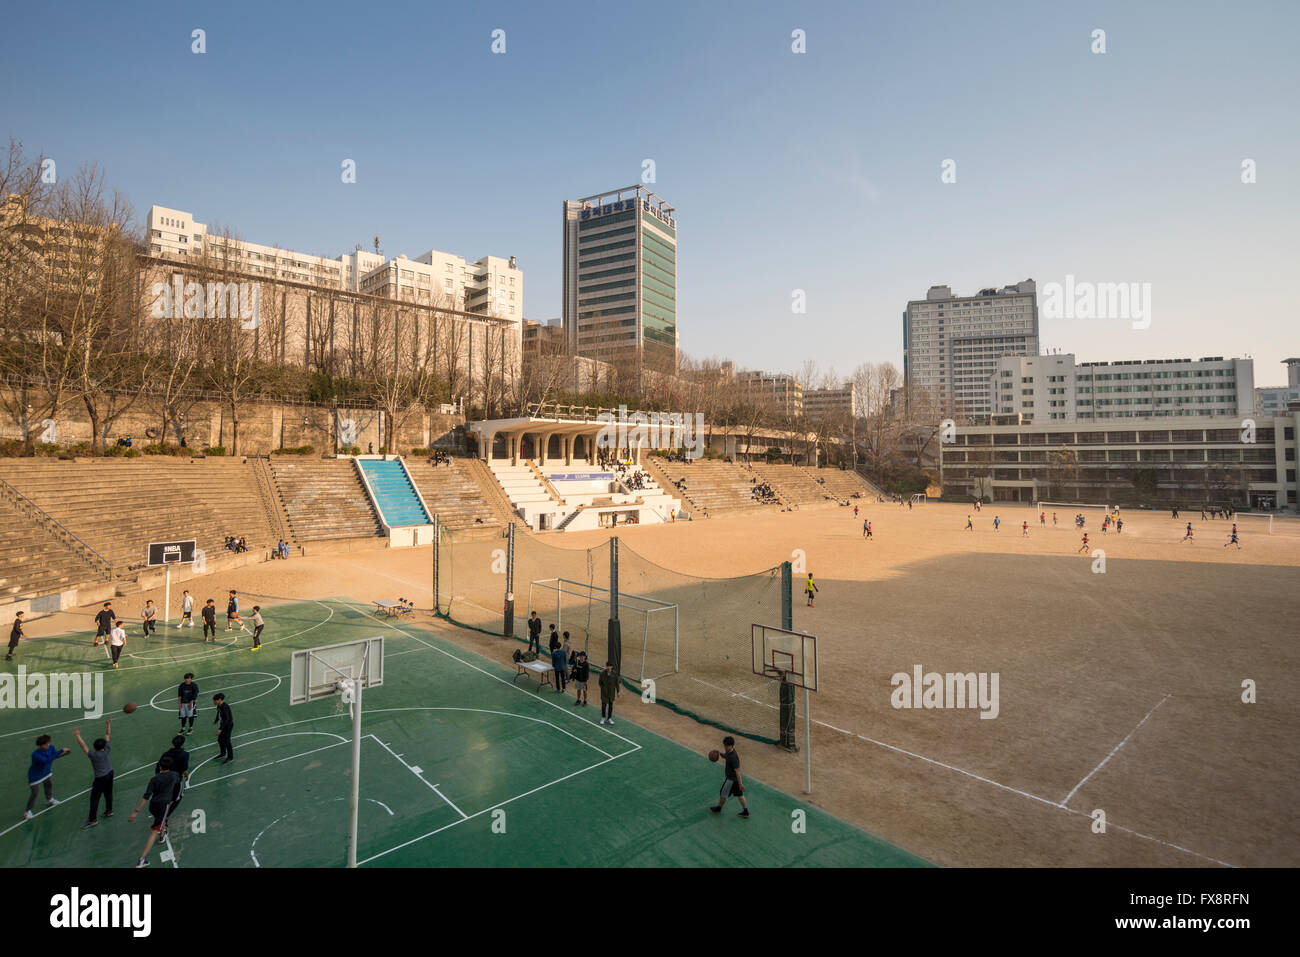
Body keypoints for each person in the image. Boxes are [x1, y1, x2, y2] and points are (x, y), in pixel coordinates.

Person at [127, 757, 180, 868]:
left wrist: (136, 811)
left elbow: (146, 796)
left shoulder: (154, 779)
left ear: (160, 767)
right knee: (153, 831)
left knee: (162, 819)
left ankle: (163, 834)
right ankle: (141, 860)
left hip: (153, 805)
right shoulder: (174, 775)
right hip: (163, 805)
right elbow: (178, 785)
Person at [72, 720, 113, 829]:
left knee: (94, 799)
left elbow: (83, 745)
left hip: (100, 779)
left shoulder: (93, 755)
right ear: (104, 746)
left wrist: (77, 735)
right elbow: (108, 735)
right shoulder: (107, 750)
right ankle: (109, 811)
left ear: (94, 747)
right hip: (110, 773)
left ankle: (92, 820)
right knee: (108, 793)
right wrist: (108, 724)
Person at [25, 734, 71, 819]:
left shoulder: (51, 747)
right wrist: (61, 750)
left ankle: (50, 800)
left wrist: (64, 754)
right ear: (40, 745)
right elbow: (46, 761)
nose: (48, 745)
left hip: (46, 772)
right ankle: (27, 812)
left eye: (48, 743)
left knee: (49, 785)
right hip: (35, 776)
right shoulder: (35, 755)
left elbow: (54, 756)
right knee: (35, 793)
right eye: (46, 744)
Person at [709, 736, 749, 818]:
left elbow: (738, 771)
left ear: (731, 745)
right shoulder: (729, 752)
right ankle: (746, 811)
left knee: (723, 793)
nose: (725, 747)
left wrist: (741, 784)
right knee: (740, 795)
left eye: (726, 746)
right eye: (724, 745)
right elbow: (726, 756)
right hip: (735, 780)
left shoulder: (733, 757)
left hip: (731, 780)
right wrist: (720, 753)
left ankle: (719, 808)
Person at [156, 735, 190, 820]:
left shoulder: (166, 753)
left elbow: (158, 766)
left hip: (165, 778)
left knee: (166, 796)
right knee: (178, 798)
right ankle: (166, 815)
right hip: (176, 780)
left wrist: (157, 777)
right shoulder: (185, 754)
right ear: (182, 744)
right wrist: (187, 775)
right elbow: (184, 769)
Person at [213, 693, 234, 763]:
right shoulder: (219, 706)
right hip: (223, 725)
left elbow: (227, 719)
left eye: (215, 700)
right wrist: (216, 719)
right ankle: (223, 753)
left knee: (227, 741)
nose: (214, 702)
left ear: (219, 700)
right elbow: (218, 712)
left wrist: (220, 729)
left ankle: (230, 757)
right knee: (220, 740)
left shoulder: (224, 707)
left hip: (227, 725)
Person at [598, 660, 620, 725]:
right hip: (604, 694)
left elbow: (617, 683)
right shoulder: (602, 674)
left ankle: (609, 718)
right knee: (604, 706)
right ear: (606, 666)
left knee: (610, 706)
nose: (608, 667)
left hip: (611, 694)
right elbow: (600, 683)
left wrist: (618, 692)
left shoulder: (615, 674)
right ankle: (603, 717)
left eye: (610, 666)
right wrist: (603, 688)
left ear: (612, 667)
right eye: (607, 666)